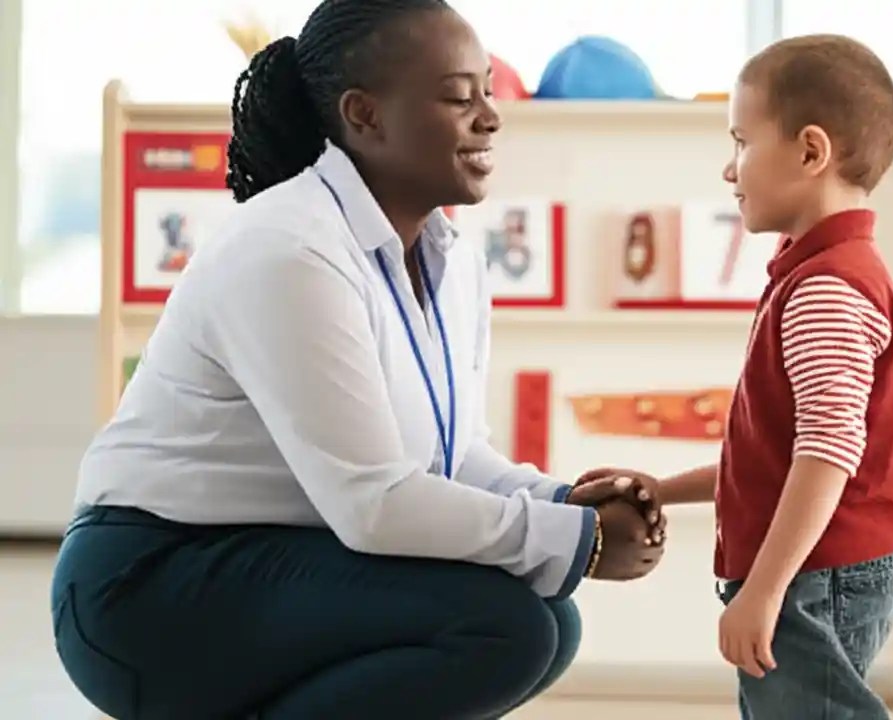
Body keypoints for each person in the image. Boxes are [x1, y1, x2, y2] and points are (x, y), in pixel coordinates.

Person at [50, 2, 664, 718]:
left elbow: (454, 454)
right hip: (149, 585)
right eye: (458, 96)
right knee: (506, 626)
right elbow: (374, 505)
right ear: (365, 116)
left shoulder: (451, 260)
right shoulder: (289, 246)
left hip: (276, 560)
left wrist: (563, 502)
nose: (490, 117)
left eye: (488, 91)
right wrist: (579, 540)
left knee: (547, 620)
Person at [576, 34, 893, 719]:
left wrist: (765, 590)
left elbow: (826, 454)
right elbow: (782, 455)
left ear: (810, 152)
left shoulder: (828, 289)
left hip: (812, 580)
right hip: (814, 575)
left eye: (740, 142)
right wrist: (663, 490)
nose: (729, 171)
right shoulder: (817, 274)